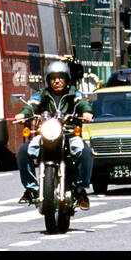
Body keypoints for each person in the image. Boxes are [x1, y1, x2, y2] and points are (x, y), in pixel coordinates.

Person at [14, 61, 94, 211]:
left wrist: (86, 112)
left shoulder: (73, 94)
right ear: (48, 81)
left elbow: (82, 103)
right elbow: (32, 104)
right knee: (23, 151)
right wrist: (23, 114)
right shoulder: (42, 94)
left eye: (60, 78)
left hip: (68, 133)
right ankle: (31, 189)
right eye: (53, 78)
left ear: (67, 79)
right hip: (47, 133)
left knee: (85, 152)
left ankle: (80, 189)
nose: (57, 81)